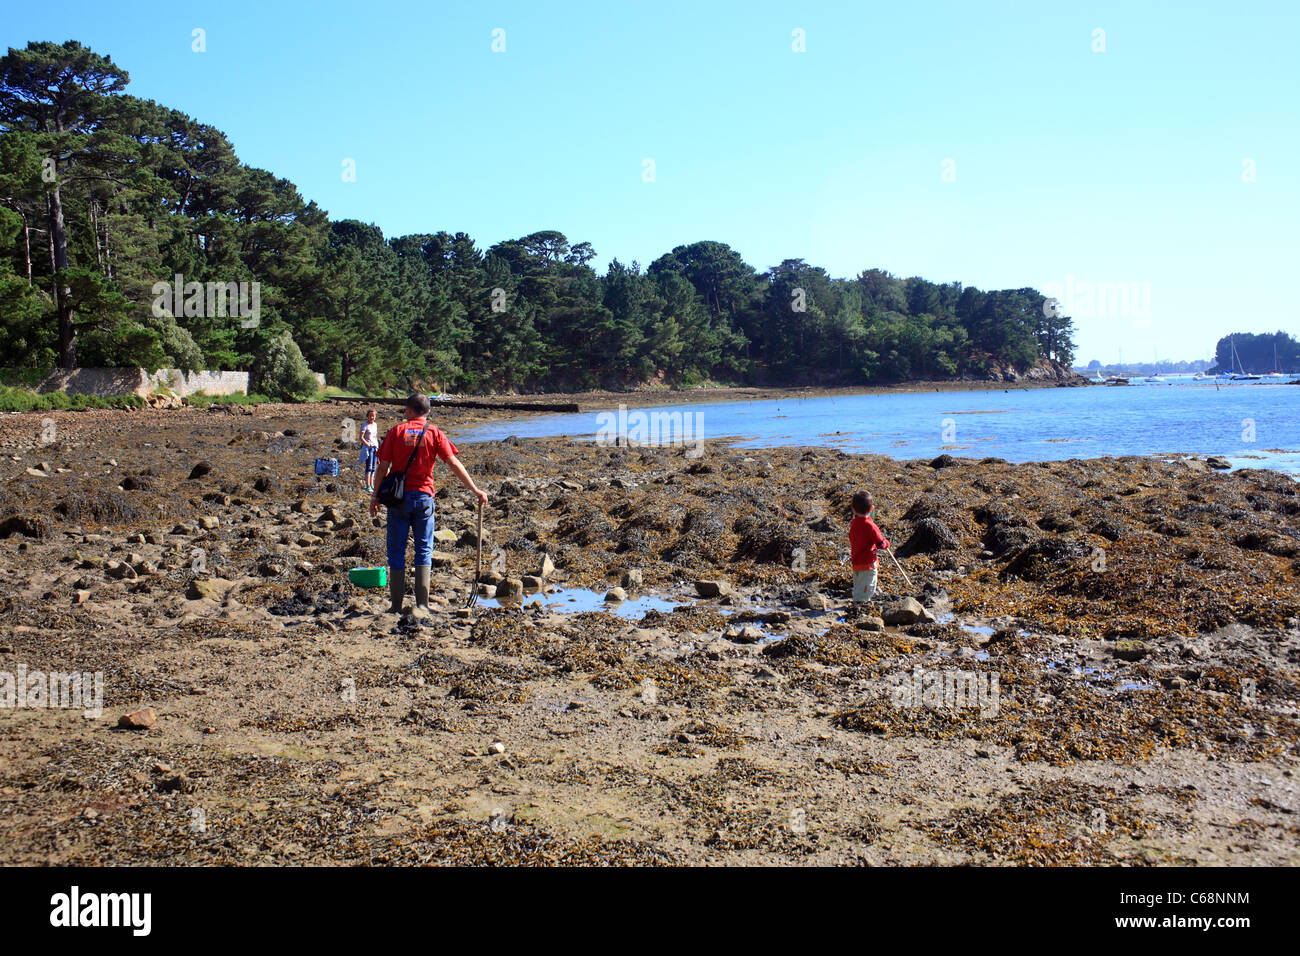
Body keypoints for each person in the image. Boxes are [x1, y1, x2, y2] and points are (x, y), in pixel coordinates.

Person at [369, 393, 488, 618]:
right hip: (424, 497)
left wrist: (375, 497)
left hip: (398, 499)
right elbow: (453, 463)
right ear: (428, 412)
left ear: (408, 411)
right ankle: (422, 606)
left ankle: (396, 606)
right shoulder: (434, 432)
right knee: (423, 550)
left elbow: (382, 467)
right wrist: (475, 489)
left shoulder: (396, 432)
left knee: (396, 550)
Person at [849, 490, 890, 603]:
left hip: (856, 562)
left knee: (859, 586)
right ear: (872, 509)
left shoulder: (853, 523)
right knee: (866, 589)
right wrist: (886, 543)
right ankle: (859, 607)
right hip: (868, 564)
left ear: (853, 508)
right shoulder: (870, 526)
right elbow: (880, 544)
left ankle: (858, 602)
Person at [360, 409, 379, 493]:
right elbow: (361, 438)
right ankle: (368, 485)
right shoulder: (364, 425)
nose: (371, 417)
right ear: (367, 416)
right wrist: (368, 446)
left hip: (375, 447)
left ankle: (372, 485)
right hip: (368, 448)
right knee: (369, 467)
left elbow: (375, 437)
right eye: (370, 415)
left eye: (373, 416)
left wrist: (377, 446)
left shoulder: (375, 425)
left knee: (374, 468)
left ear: (375, 417)